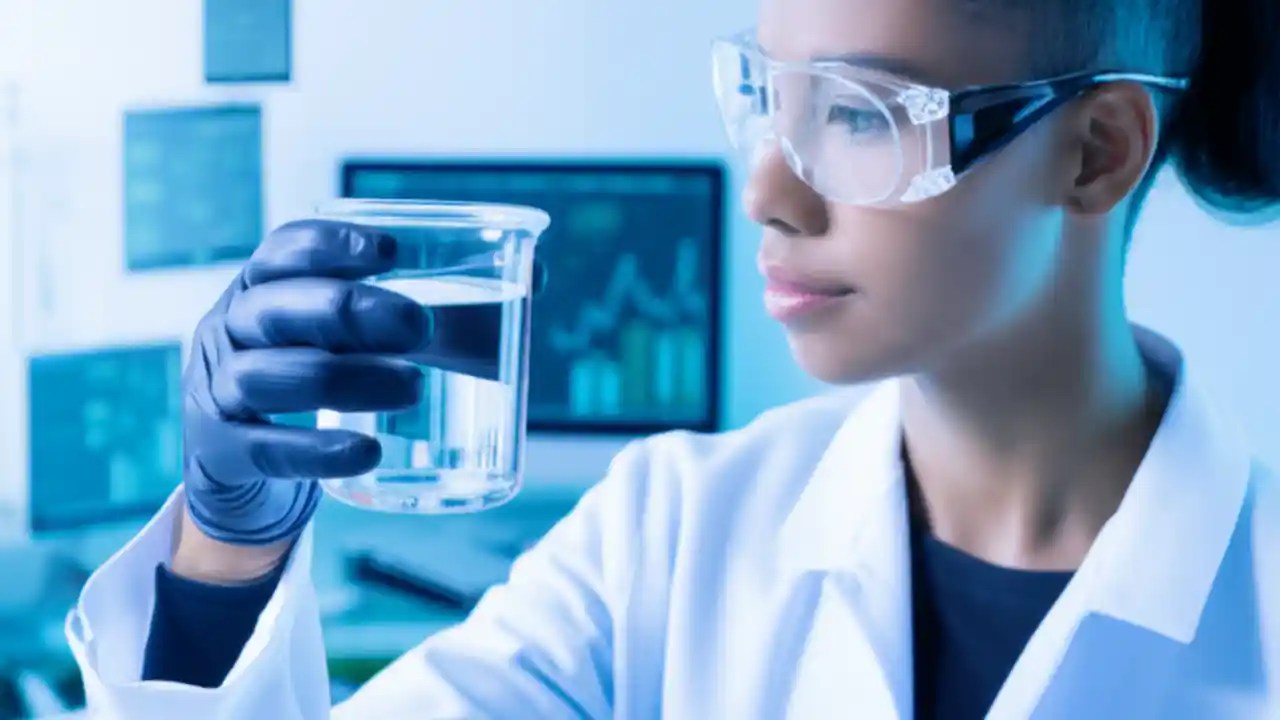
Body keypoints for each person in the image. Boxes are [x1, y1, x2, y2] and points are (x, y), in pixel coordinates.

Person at [67, 0, 1280, 716]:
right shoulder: (672, 534)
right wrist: (229, 546)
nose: (767, 193)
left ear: (1096, 152)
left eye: (859, 113)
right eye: (766, 97)